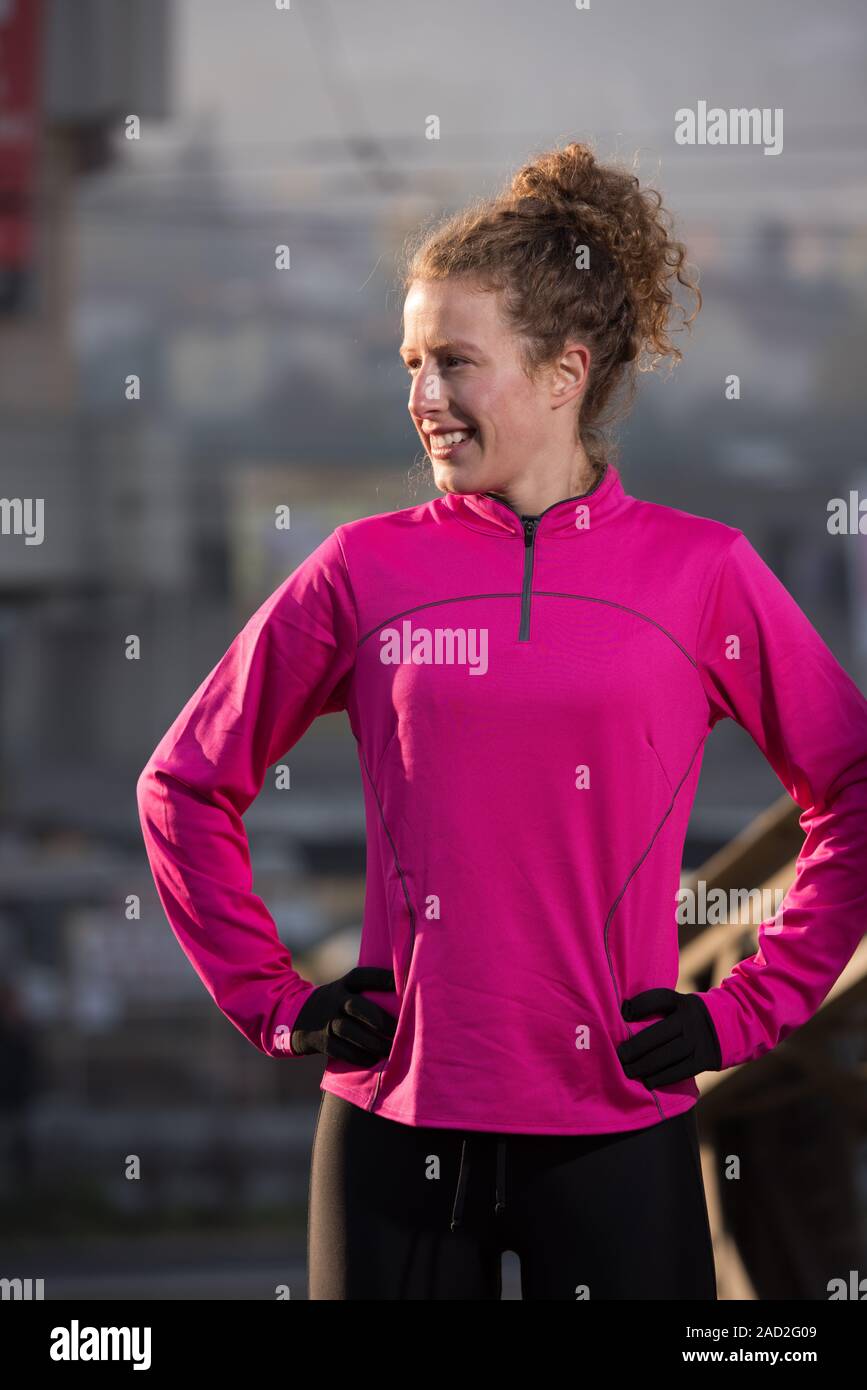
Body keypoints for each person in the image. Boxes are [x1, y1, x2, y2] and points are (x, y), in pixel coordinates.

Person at [137, 140, 867, 1300]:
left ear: (565, 371)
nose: (423, 399)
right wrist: (275, 1001)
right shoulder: (358, 571)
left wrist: (746, 1010)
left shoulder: (704, 574)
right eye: (411, 362)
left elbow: (856, 790)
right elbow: (182, 785)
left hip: (618, 1130)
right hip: (393, 1128)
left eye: (456, 363)